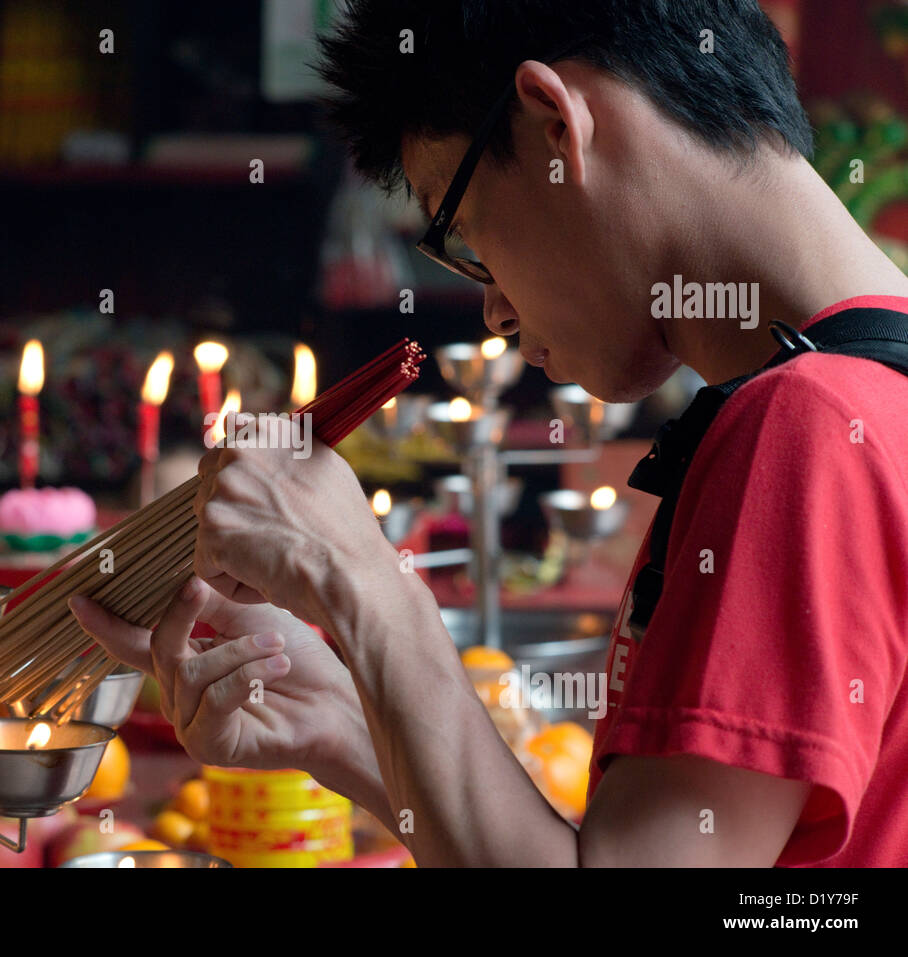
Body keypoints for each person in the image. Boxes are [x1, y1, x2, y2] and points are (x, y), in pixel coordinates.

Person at [71, 0, 908, 866]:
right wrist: (355, 732)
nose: (497, 310)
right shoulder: (861, 394)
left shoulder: (809, 424)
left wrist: (365, 582)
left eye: (463, 233)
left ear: (555, 126)